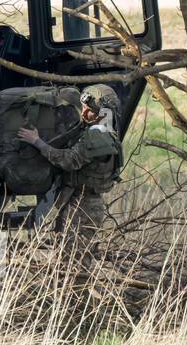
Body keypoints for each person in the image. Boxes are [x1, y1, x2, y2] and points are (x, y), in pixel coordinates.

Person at [17, 84, 123, 244]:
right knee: (73, 256)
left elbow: (69, 161)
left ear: (100, 112)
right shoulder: (107, 132)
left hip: (82, 206)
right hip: (83, 203)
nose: (84, 112)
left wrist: (37, 142)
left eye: (88, 108)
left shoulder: (97, 136)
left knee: (74, 259)